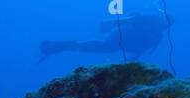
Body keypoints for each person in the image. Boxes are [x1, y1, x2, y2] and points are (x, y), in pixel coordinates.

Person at [39, 8, 173, 62]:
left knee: (103, 47)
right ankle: (63, 46)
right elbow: (130, 20)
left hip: (123, 43)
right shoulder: (149, 20)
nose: (165, 24)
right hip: (120, 37)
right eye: (165, 21)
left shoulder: (158, 35)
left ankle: (65, 46)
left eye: (167, 24)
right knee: (104, 46)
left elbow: (144, 49)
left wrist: (133, 59)